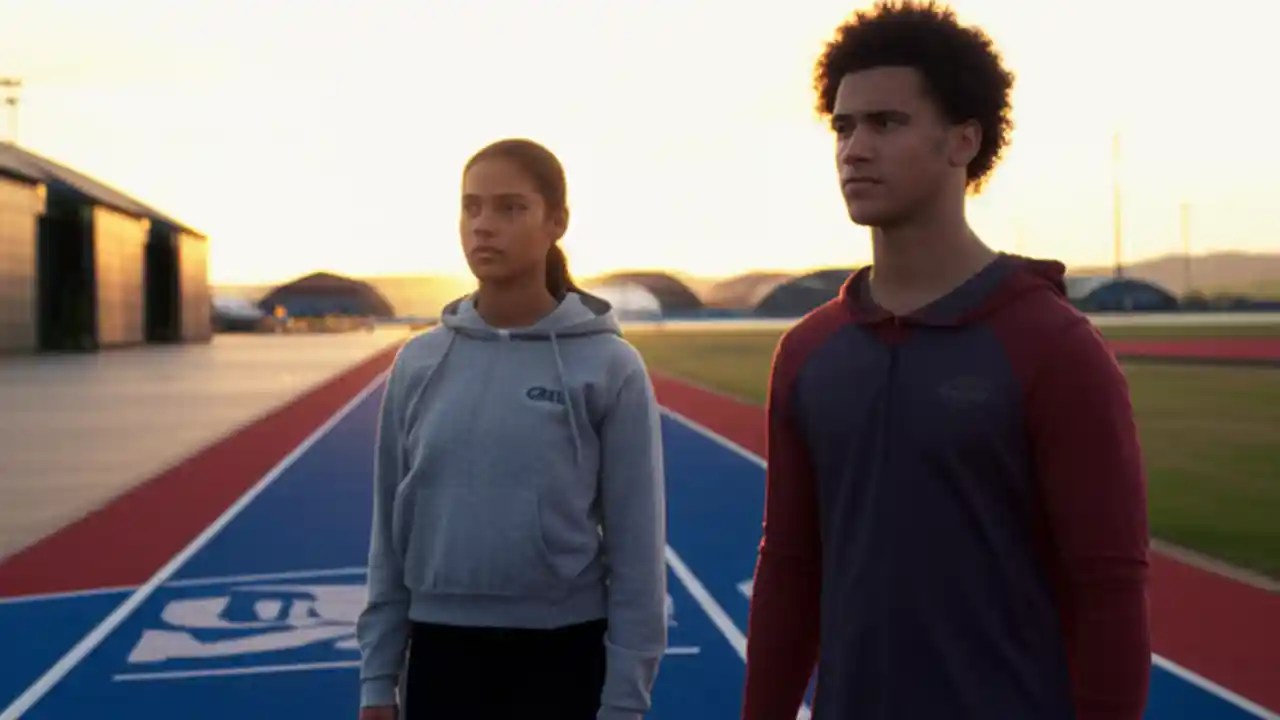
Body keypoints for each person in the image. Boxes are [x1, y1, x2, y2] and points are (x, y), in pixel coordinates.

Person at [740, 2, 1151, 719]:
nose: (854, 149)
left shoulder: (1052, 347)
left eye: (885, 123)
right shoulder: (808, 352)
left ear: (964, 140)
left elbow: (1109, 589)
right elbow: (790, 570)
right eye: (843, 126)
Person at [356, 138, 668, 719]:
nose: (484, 225)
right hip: (442, 657)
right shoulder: (419, 363)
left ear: (557, 222)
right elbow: (388, 534)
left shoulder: (608, 365)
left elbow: (638, 550)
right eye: (471, 207)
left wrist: (625, 701)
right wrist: (377, 679)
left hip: (562, 655)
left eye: (510, 207)